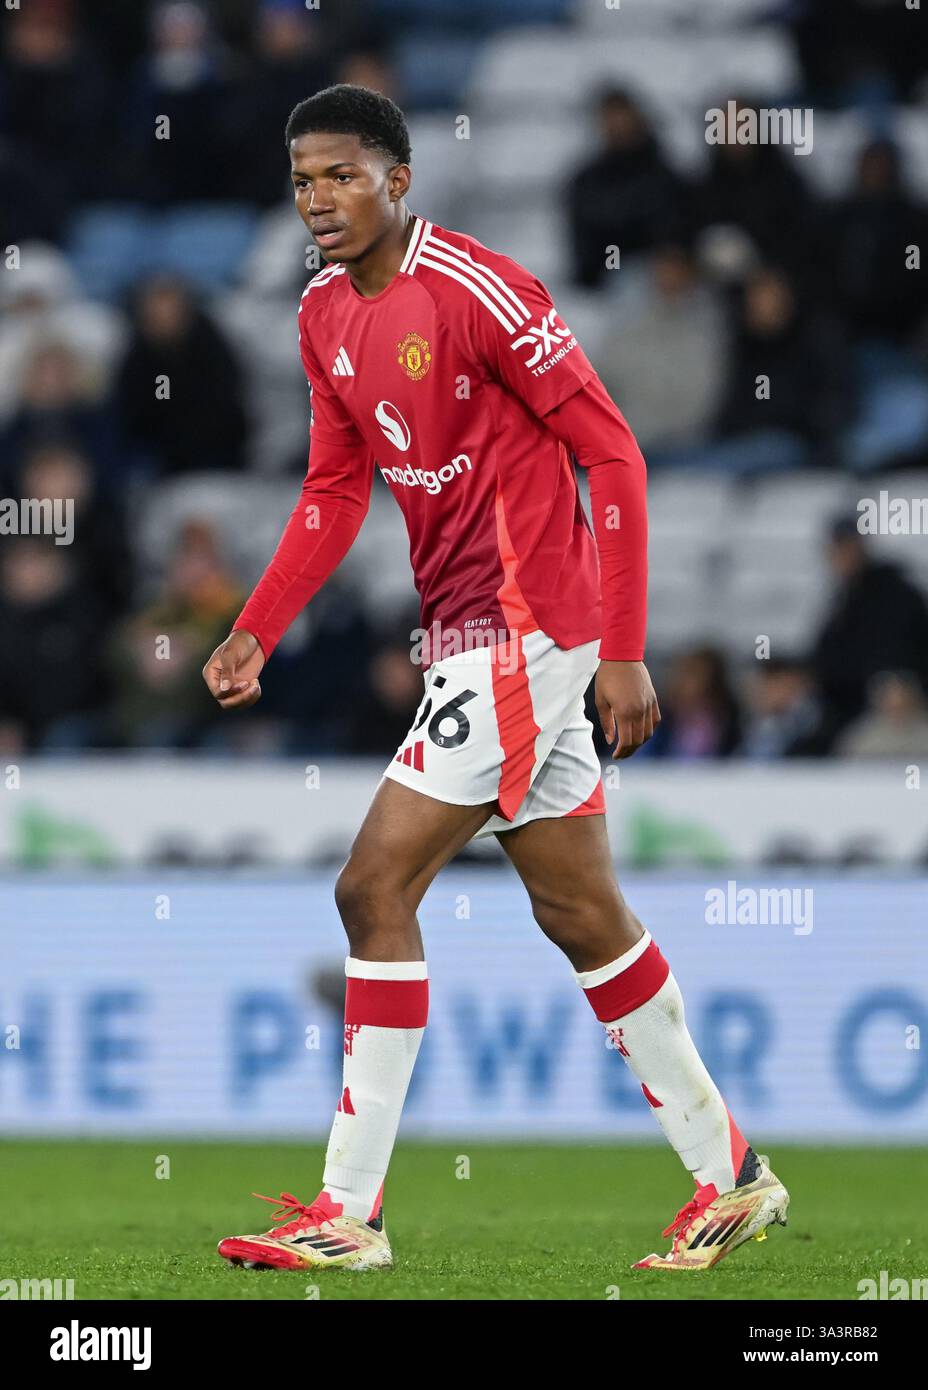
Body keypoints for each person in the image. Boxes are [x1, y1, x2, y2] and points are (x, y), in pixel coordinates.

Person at [202, 84, 788, 1275]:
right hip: (472, 630)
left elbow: (609, 449)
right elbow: (330, 491)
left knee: (373, 886)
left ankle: (347, 1212)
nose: (319, 198)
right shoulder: (322, 315)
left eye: (343, 175)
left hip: (529, 623)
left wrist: (620, 647)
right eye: (303, 176)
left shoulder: (478, 288)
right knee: (580, 913)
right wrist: (256, 627)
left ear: (398, 181)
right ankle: (732, 1178)